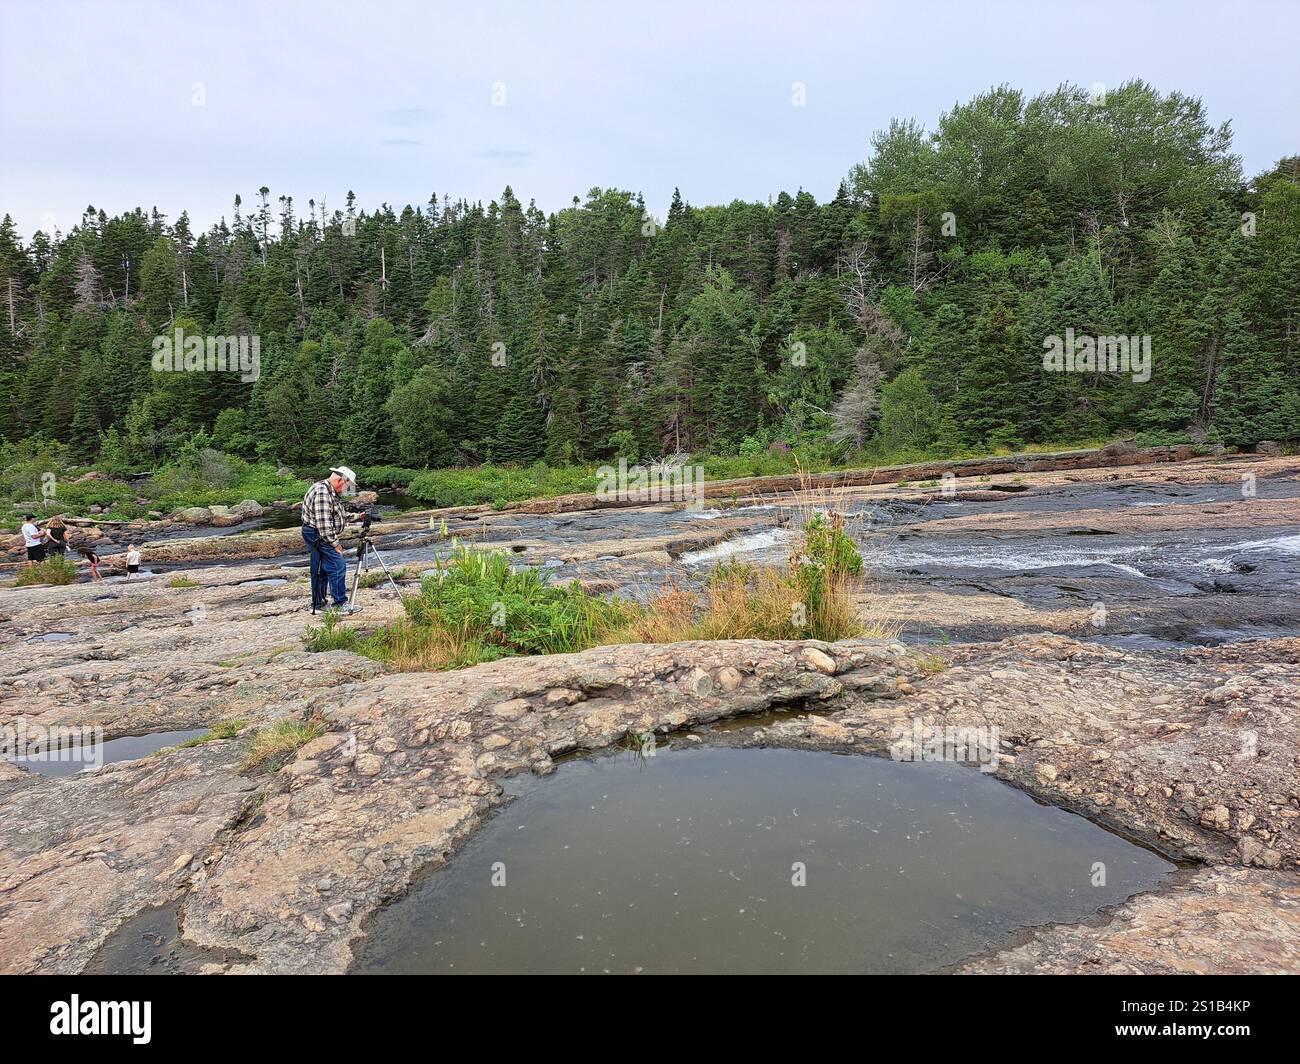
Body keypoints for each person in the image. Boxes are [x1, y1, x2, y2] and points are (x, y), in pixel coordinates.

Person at [302, 466, 362, 614]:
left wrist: (358, 516)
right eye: (347, 485)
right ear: (340, 480)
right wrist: (336, 544)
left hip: (316, 533)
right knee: (337, 565)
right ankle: (340, 603)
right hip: (318, 534)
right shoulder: (322, 492)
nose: (347, 489)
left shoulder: (330, 491)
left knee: (322, 568)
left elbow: (336, 515)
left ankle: (319, 603)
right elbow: (324, 524)